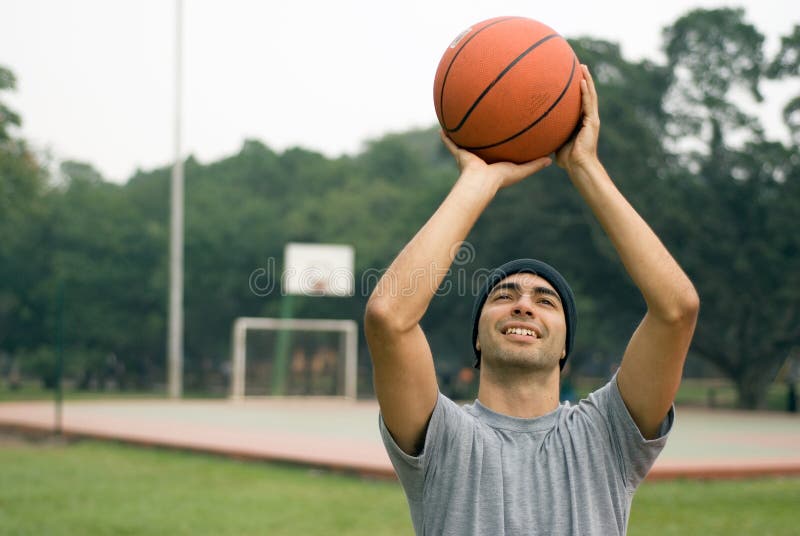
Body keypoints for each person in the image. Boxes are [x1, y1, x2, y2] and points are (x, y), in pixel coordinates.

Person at [364, 65, 699, 536]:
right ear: (477, 339)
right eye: (504, 295)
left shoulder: (607, 434)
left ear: (566, 347)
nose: (524, 305)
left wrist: (585, 166)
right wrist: (478, 182)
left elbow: (676, 309)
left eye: (546, 301)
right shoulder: (440, 436)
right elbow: (388, 316)